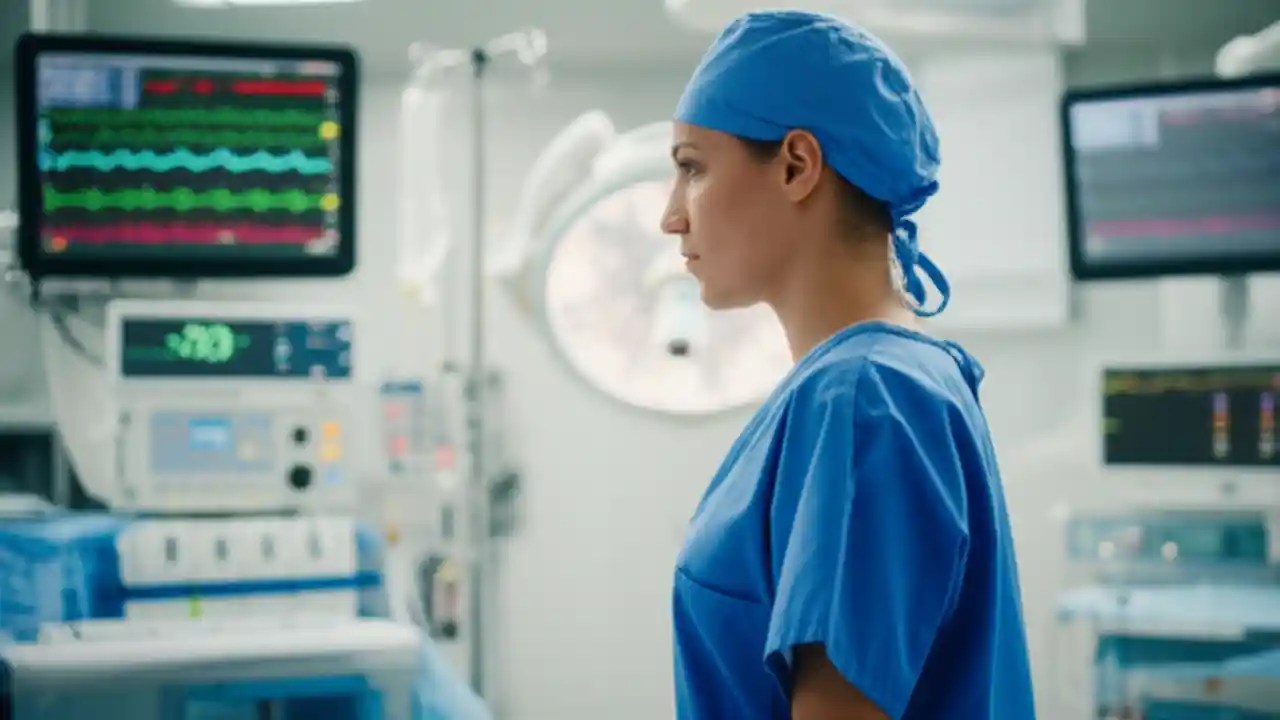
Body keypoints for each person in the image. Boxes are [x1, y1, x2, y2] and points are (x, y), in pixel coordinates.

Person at [660, 10, 1036, 720]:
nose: (671, 216)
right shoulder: (891, 381)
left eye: (692, 168)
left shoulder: (866, 397)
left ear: (797, 166)